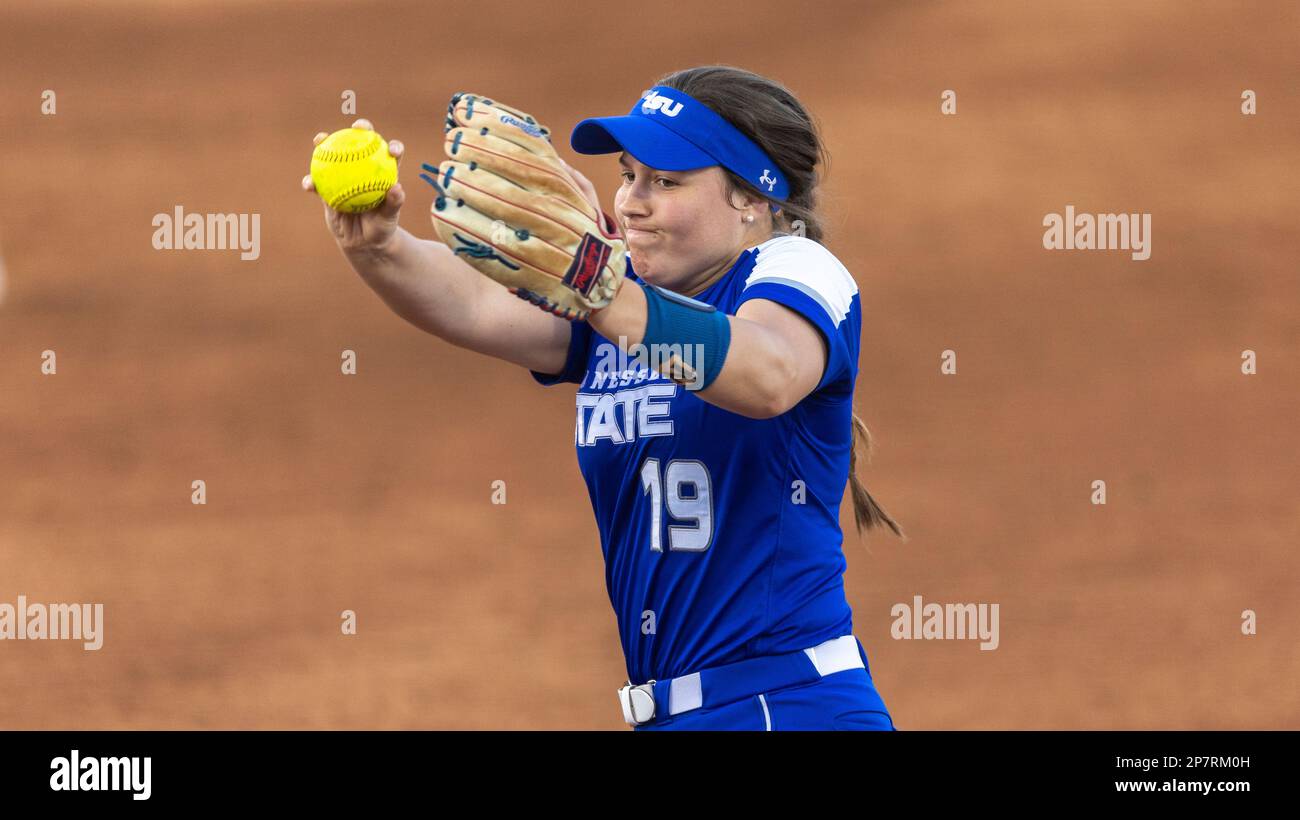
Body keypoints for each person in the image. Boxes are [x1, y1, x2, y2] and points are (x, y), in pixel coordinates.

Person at [304, 65, 903, 730]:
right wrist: (381, 246)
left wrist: (604, 290)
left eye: (666, 182)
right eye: (628, 175)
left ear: (753, 201)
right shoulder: (620, 309)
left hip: (787, 707)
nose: (631, 204)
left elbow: (769, 376)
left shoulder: (795, 268)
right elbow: (475, 303)